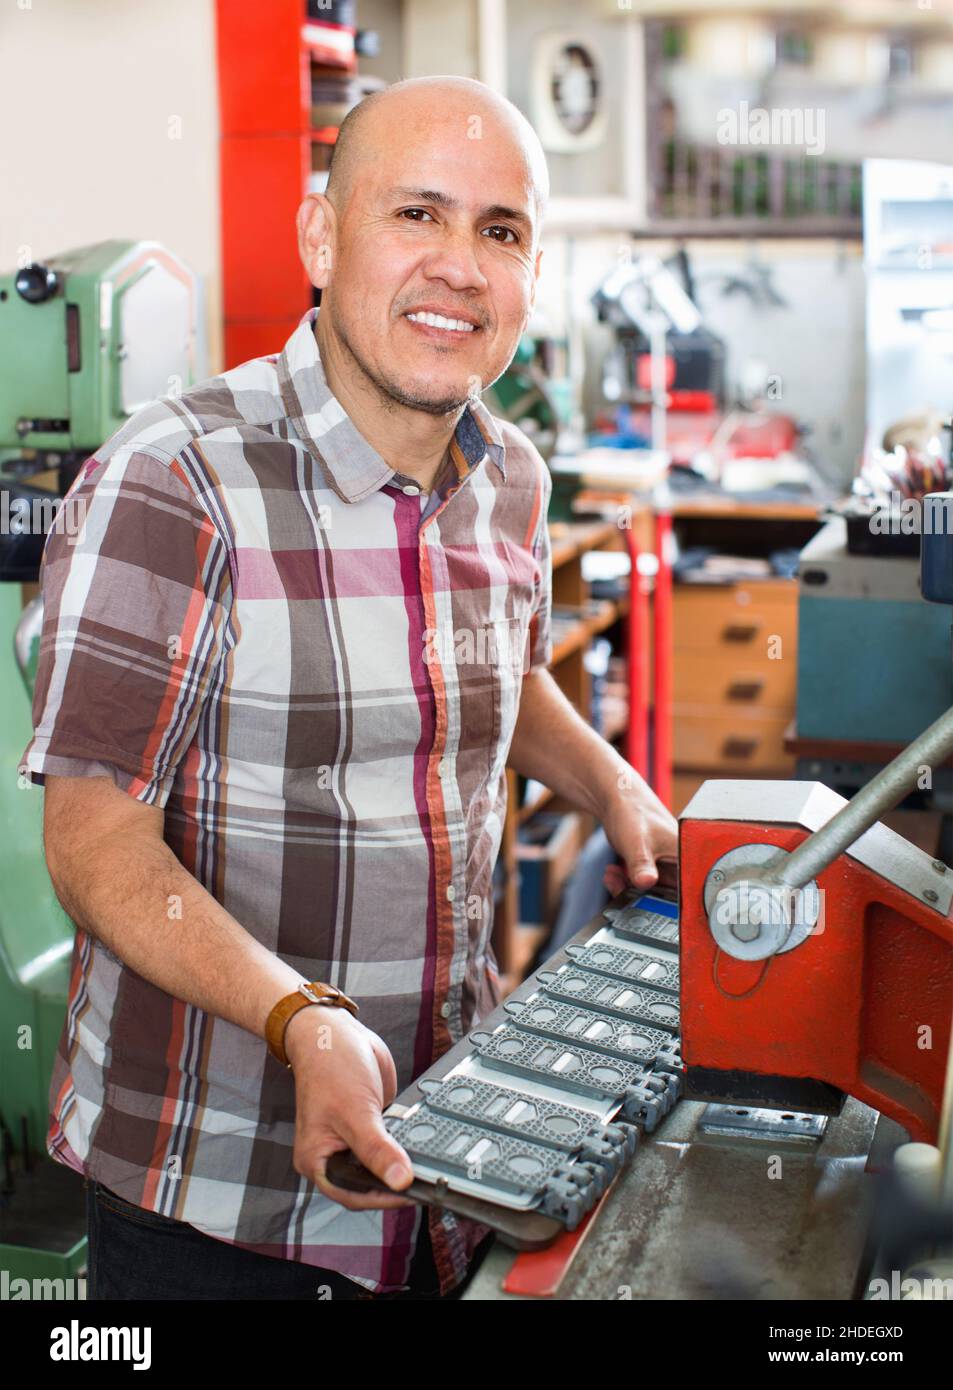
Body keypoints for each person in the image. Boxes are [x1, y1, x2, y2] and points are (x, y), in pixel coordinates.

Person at [21, 76, 677, 1301]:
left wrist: (612, 783)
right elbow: (95, 844)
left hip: (444, 1151)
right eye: (415, 214)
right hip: (214, 1207)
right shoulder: (174, 486)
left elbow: (497, 673)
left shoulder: (509, 477)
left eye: (499, 230)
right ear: (321, 237)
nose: (458, 267)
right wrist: (300, 1019)